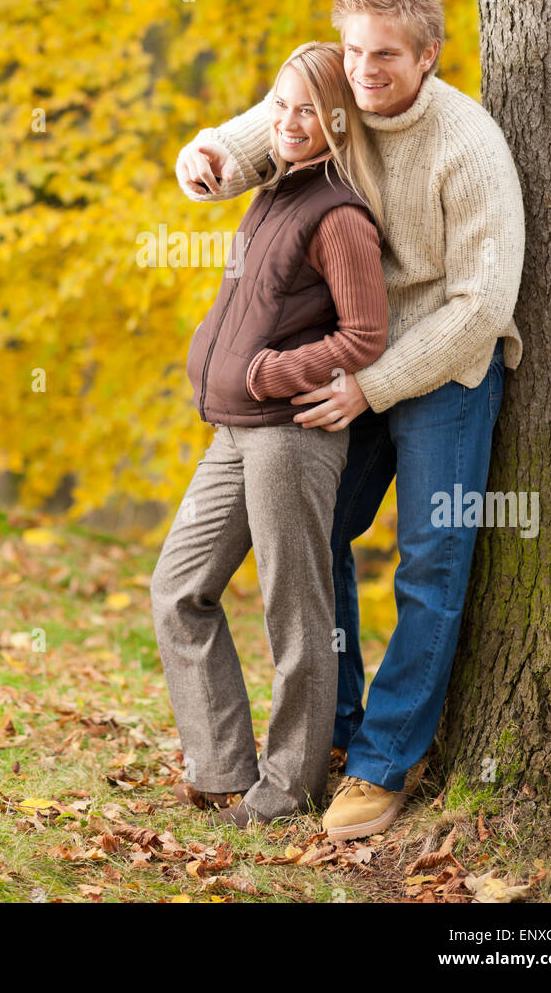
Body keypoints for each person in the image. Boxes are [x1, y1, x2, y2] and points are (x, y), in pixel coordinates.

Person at [174, 0, 525, 839]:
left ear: (427, 56)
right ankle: (332, 729)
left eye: (386, 57)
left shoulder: (467, 145)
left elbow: (480, 306)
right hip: (350, 356)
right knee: (319, 533)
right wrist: (211, 153)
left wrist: (369, 383)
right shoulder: (345, 91)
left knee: (432, 561)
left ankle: (382, 762)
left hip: (445, 364)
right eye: (355, 52)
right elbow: (272, 125)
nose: (366, 72)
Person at [151, 41, 388, 827]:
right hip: (233, 433)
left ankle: (288, 792)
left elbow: (364, 338)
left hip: (292, 436)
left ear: (338, 120)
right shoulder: (278, 189)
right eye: (280, 105)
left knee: (296, 614)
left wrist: (265, 374)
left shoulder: (340, 213)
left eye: (309, 111)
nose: (290, 122)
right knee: (179, 589)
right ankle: (223, 772)